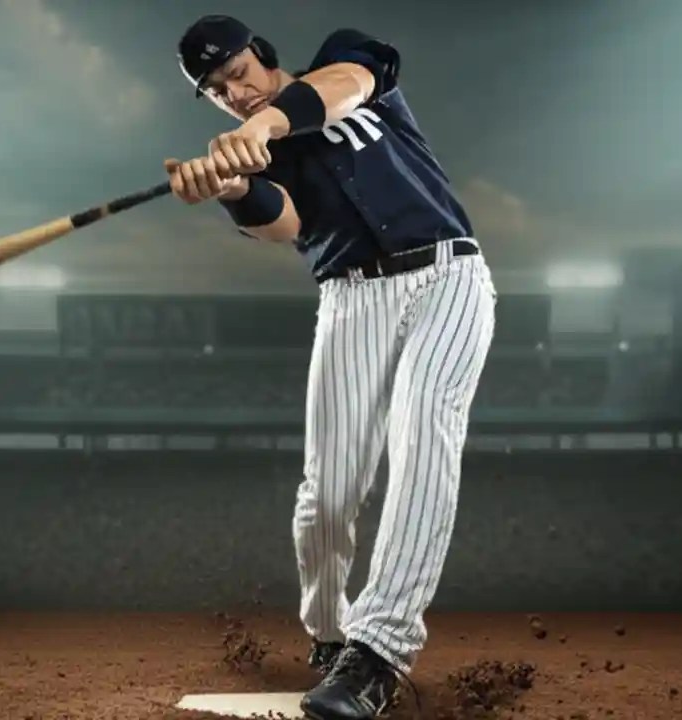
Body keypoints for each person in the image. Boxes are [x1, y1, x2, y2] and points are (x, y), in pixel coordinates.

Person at [168, 15, 496, 720]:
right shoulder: (260, 157)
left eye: (239, 70)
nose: (237, 91)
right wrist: (229, 186)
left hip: (448, 276)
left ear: (262, 52)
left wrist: (261, 130)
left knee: (421, 437)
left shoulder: (339, 61)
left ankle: (379, 651)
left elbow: (350, 85)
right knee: (330, 497)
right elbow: (282, 224)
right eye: (219, 90)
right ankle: (328, 630)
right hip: (351, 300)